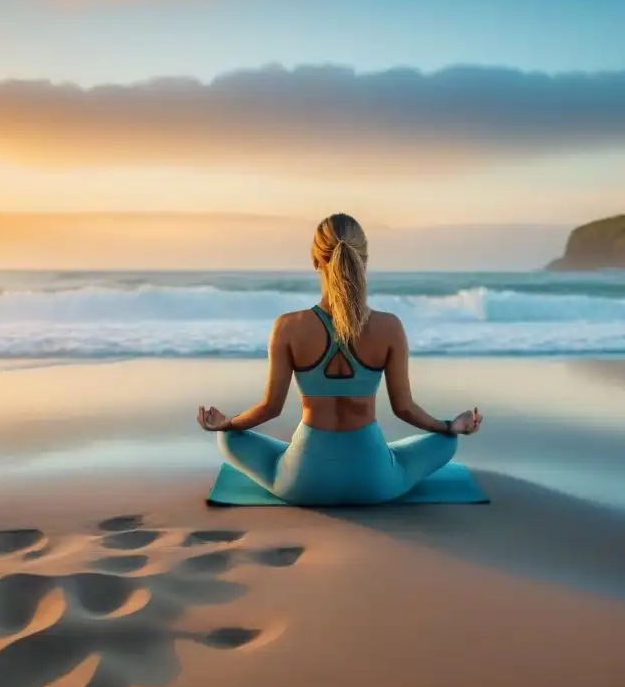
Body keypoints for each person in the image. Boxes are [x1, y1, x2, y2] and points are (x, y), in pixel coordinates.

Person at [197, 212, 482, 505]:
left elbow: (270, 408)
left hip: (303, 482)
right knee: (446, 442)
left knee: (229, 438)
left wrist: (228, 422)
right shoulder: (389, 327)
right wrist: (448, 426)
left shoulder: (287, 327)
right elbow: (405, 409)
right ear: (364, 261)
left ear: (315, 260)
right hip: (375, 482)